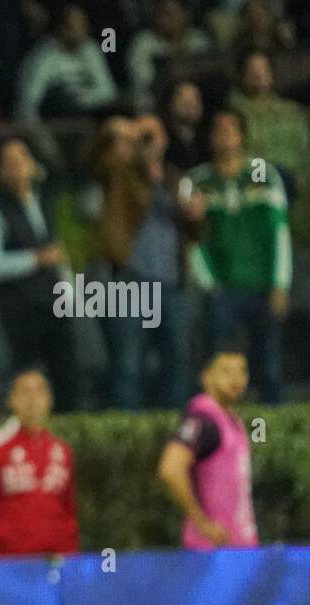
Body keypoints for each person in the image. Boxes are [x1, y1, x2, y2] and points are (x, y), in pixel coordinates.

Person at [182, 109, 291, 403]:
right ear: (209, 137)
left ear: (242, 135)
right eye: (218, 130)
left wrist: (280, 283)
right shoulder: (196, 182)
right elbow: (192, 242)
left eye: (231, 129)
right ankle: (218, 430)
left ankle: (272, 432)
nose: (225, 136)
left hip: (262, 285)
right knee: (218, 364)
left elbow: (279, 233)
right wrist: (209, 283)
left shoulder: (264, 175)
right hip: (222, 290)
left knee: (268, 365)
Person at [88, 114, 191, 409]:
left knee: (177, 360)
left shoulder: (175, 179)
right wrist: (120, 137)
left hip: (172, 281)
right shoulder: (120, 173)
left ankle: (174, 434)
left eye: (152, 135)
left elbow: (194, 231)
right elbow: (93, 158)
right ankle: (127, 432)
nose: (147, 141)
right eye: (140, 136)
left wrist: (196, 215)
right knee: (128, 363)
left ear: (165, 139)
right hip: (130, 280)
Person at [0, 137, 78, 411]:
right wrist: (35, 259)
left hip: (54, 302)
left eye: (22, 160)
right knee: (26, 375)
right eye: (9, 163)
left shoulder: (43, 202)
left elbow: (57, 251)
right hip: (21, 307)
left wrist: (70, 290)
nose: (17, 167)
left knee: (67, 374)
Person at [0, 368, 79, 557]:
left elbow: (69, 512)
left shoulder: (62, 451)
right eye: (24, 392)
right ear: (11, 400)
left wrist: (71, 563)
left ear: (49, 400)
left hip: (53, 564)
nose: (32, 400)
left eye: (39, 392)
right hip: (10, 564)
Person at [157, 348, 258, 550]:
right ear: (206, 377)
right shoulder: (203, 419)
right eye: (226, 371)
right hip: (212, 553)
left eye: (242, 371)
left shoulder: (231, 419)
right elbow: (170, 469)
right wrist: (202, 523)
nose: (236, 379)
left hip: (239, 548)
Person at [15, 2, 118, 124]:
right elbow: (28, 104)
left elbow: (108, 92)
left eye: (84, 24)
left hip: (87, 119)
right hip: (55, 123)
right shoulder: (43, 56)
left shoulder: (90, 49)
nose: (84, 30)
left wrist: (77, 100)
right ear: (62, 28)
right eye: (77, 25)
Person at [228, 50, 310, 201]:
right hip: (256, 184)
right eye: (253, 70)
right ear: (242, 75)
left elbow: (304, 149)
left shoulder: (292, 111)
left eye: (263, 69)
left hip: (299, 183)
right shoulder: (232, 114)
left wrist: (301, 179)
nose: (259, 75)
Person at [127, 0, 212, 112]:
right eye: (159, 14)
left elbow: (209, 79)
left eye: (169, 14)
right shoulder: (143, 43)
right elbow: (145, 81)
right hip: (153, 107)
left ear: (186, 14)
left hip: (196, 107)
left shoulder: (199, 41)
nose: (163, 20)